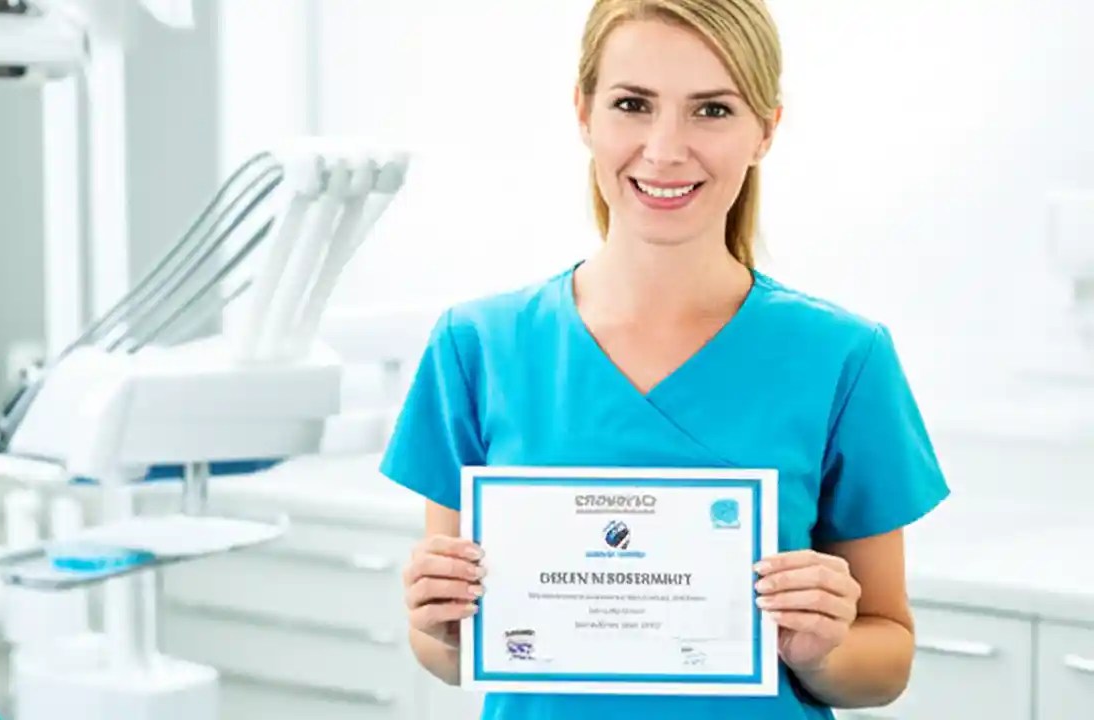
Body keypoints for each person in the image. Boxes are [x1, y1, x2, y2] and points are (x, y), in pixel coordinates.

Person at [378, 0, 950, 717]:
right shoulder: (478, 347)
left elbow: (886, 658)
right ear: (584, 114)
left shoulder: (843, 357)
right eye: (632, 104)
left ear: (766, 129)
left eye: (711, 110)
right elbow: (450, 649)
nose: (665, 148)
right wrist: (438, 625)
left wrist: (824, 648)